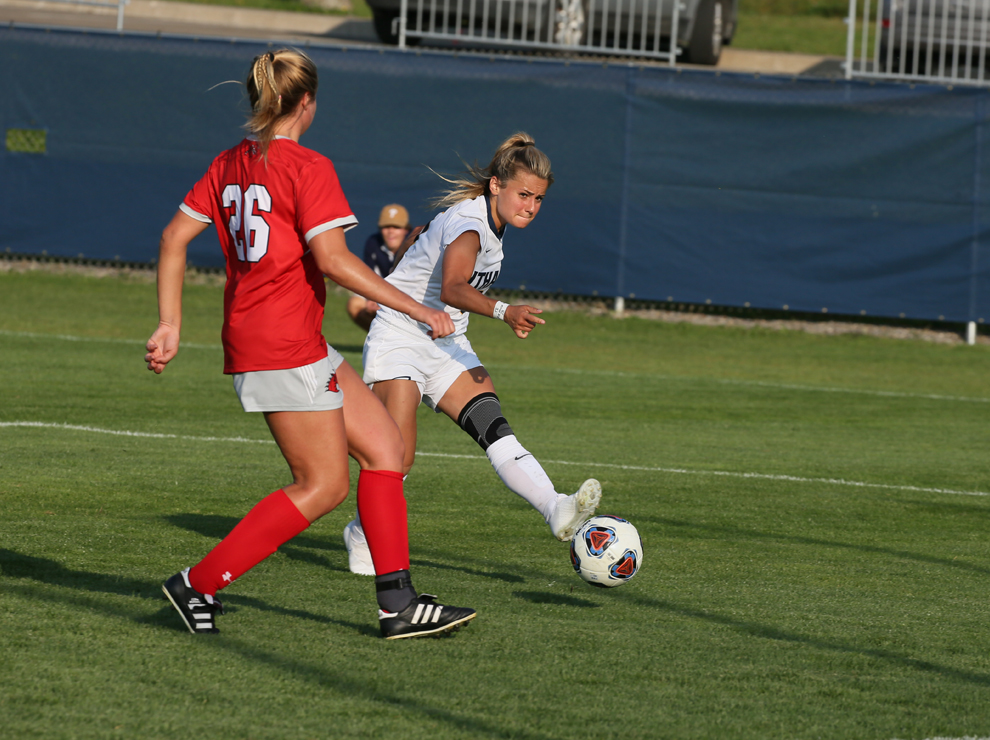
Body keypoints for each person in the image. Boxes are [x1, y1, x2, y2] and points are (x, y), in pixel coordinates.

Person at [145, 48, 475, 639]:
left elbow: (173, 238)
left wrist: (170, 322)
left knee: (385, 448)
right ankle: (197, 583)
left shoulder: (229, 163)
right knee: (322, 485)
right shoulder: (307, 166)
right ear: (307, 102)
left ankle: (397, 603)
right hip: (281, 345)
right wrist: (417, 308)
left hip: (292, 337)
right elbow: (333, 260)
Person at [342, 132, 602, 577]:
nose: (531, 206)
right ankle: (361, 534)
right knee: (397, 458)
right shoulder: (471, 222)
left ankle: (555, 506)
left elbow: (425, 238)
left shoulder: (484, 222)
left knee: (494, 429)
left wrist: (414, 254)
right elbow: (452, 287)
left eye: (538, 199)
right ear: (496, 185)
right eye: (523, 194)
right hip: (401, 337)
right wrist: (505, 311)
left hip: (446, 344)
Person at [346, 204, 411, 331]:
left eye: (396, 227)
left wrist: (384, 300)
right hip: (381, 294)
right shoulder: (373, 243)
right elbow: (368, 275)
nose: (391, 231)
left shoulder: (415, 244)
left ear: (405, 230)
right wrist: (372, 298)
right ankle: (380, 337)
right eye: (386, 226)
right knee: (355, 304)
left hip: (410, 297)